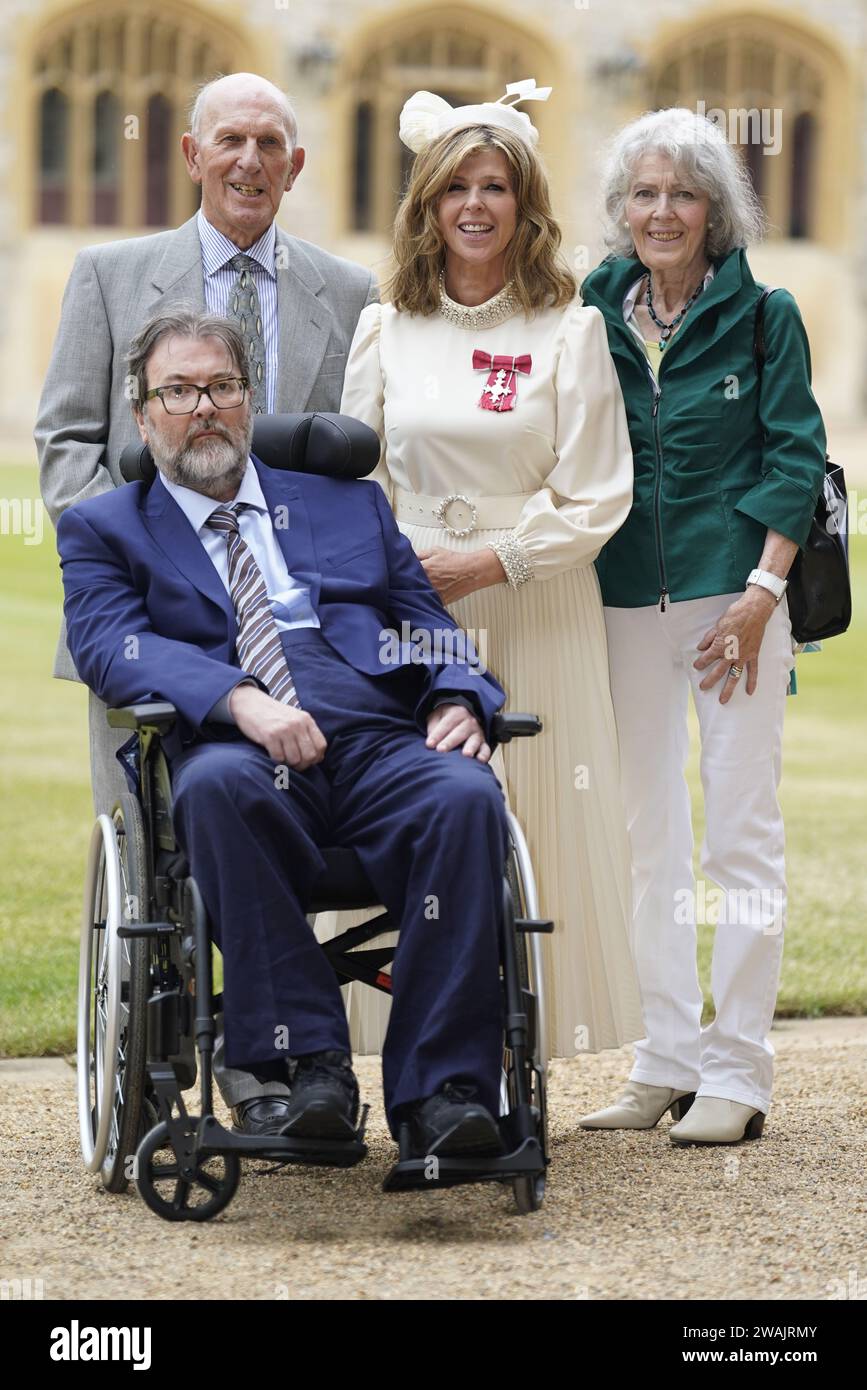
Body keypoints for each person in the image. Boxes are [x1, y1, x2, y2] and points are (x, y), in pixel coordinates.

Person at [56, 308, 511, 1156]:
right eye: (179, 390)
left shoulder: (346, 507)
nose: (203, 407)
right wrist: (240, 697)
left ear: (249, 400)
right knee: (215, 788)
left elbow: (422, 623)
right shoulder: (107, 528)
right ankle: (307, 1068)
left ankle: (442, 1095)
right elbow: (110, 647)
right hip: (244, 750)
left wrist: (456, 695)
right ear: (143, 413)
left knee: (464, 792)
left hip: (379, 740)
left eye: (221, 387)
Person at [35, 71, 377, 1128]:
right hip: (150, 633)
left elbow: (346, 476)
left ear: (297, 164)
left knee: (282, 825)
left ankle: (285, 1056)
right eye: (229, 139)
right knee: (144, 848)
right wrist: (145, 570)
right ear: (190, 154)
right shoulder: (108, 273)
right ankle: (145, 1068)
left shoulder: (349, 292)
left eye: (271, 142)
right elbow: (67, 444)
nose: (249, 161)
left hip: (295, 641)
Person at [339, 82, 644, 1059]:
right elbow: (357, 482)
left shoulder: (571, 326)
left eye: (496, 186)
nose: (475, 205)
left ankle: (517, 1049)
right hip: (412, 605)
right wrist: (403, 573)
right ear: (427, 205)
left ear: (526, 204)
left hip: (537, 602)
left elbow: (599, 495)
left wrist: (490, 560)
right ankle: (416, 1047)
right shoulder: (387, 321)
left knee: (536, 813)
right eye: (454, 187)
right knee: (417, 811)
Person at [578, 108, 826, 1145]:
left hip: (739, 604)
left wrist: (764, 595)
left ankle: (740, 1068)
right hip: (628, 594)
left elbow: (793, 458)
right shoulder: (592, 305)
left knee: (740, 835)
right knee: (645, 838)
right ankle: (666, 1058)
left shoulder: (765, 314)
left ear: (715, 209)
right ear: (621, 210)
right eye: (644, 193)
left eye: (683, 193)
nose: (662, 211)